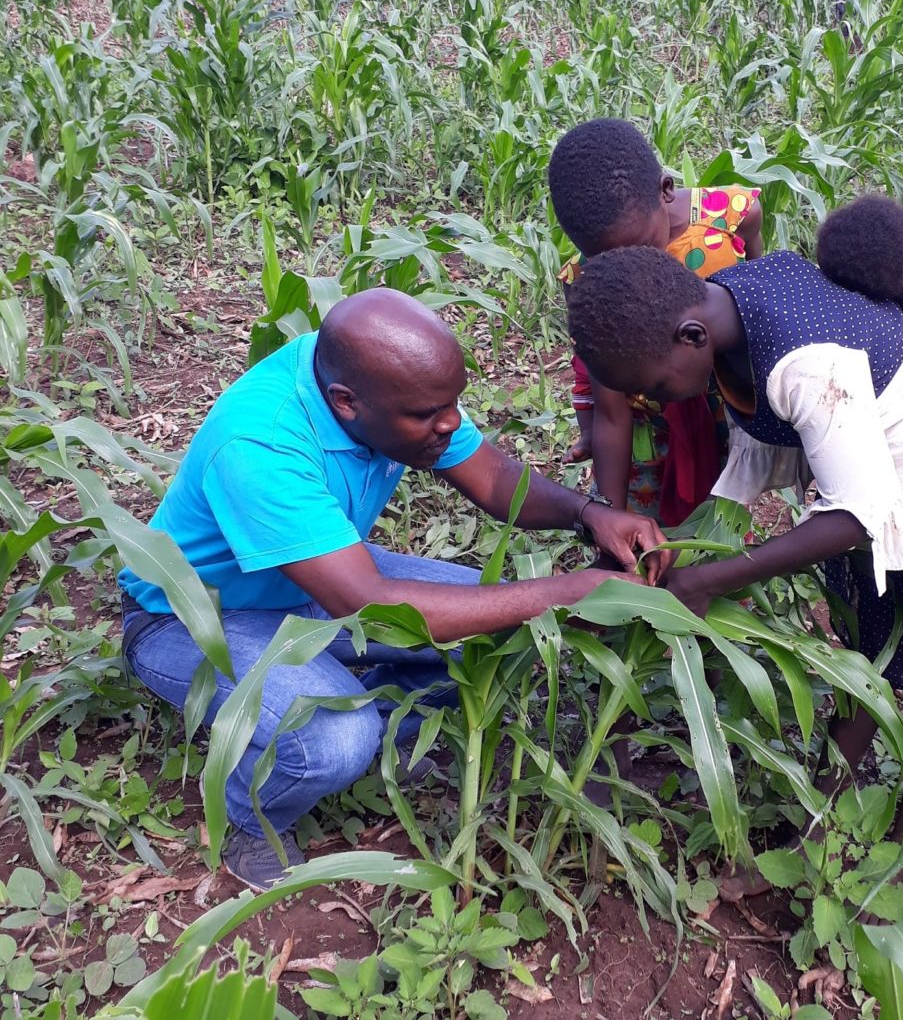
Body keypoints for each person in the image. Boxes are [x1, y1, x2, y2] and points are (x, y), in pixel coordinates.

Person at [564, 196, 903, 880]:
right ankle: (819, 817)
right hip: (886, 418)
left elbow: (858, 515)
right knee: (862, 640)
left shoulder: (805, 363)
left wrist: (713, 576)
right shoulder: (725, 298)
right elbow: (762, 450)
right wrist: (697, 534)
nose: (659, 402)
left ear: (690, 338)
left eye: (654, 386)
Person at [118, 288, 668, 891]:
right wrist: (566, 591)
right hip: (199, 615)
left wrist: (589, 514)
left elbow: (490, 477)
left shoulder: (384, 384)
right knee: (331, 740)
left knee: (496, 637)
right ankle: (254, 819)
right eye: (431, 414)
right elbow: (367, 604)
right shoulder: (262, 445)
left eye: (453, 402)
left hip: (319, 568)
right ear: (346, 404)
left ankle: (368, 712)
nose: (451, 423)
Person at [550, 118, 763, 525]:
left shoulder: (732, 219)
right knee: (643, 521)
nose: (633, 270)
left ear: (665, 191)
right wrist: (608, 519)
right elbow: (611, 408)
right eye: (607, 261)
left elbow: (758, 301)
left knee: (725, 516)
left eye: (645, 246)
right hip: (648, 421)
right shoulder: (584, 281)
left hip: (729, 407)